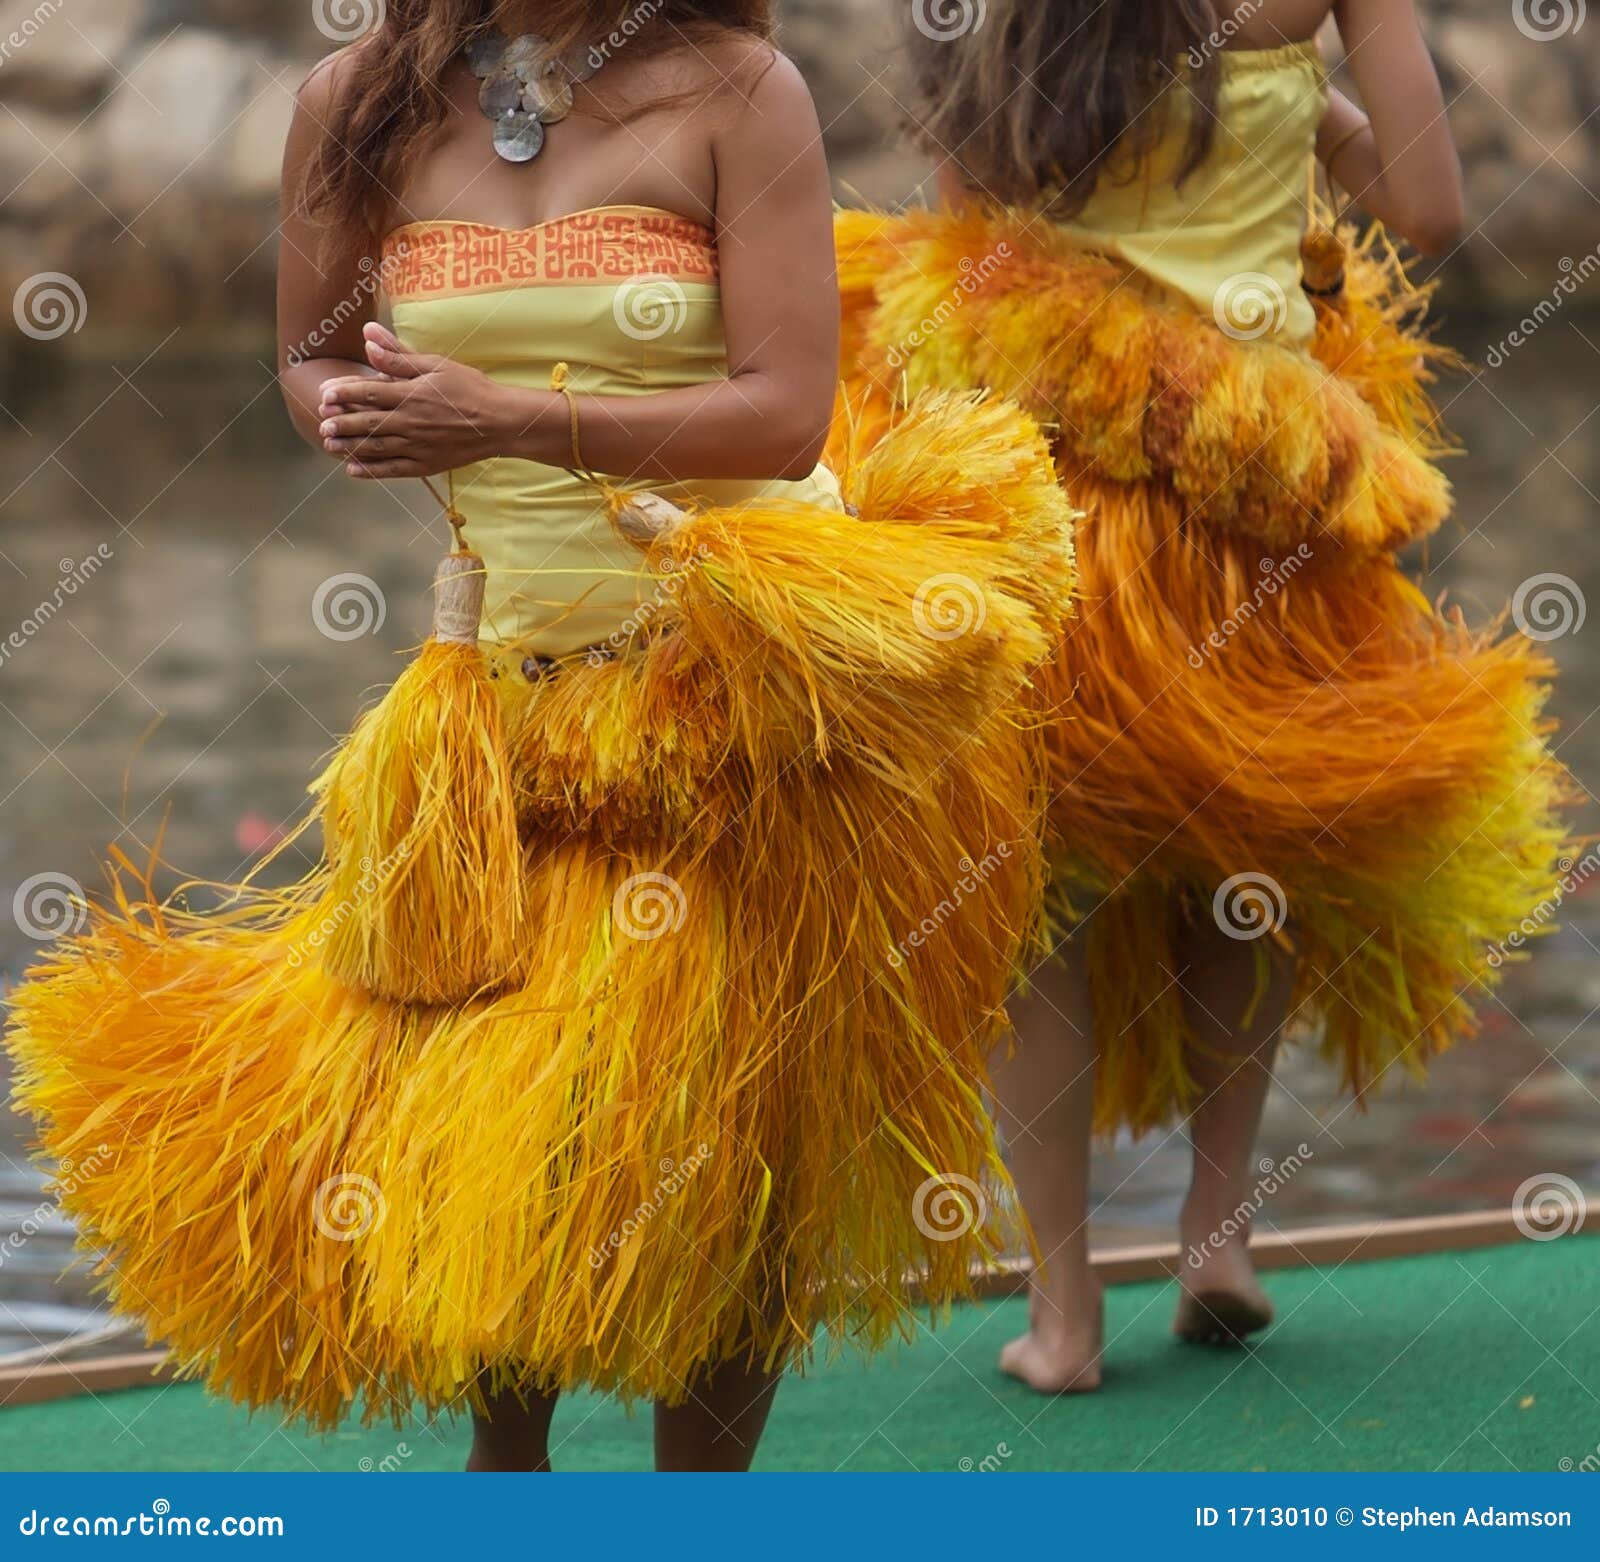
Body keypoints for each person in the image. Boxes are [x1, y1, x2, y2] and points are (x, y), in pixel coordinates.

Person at [7, 1, 1075, 1467]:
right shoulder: (357, 98)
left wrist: (507, 416)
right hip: (501, 685)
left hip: (747, 680)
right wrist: (359, 414)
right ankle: (508, 1477)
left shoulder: (737, 89)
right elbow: (310, 354)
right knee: (487, 1103)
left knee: (722, 1128)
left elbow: (782, 412)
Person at [834, 0, 1571, 1393]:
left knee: (1041, 898)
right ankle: (1218, 1231)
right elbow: (1424, 205)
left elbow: (968, 246)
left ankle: (1063, 1316)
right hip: (1255, 491)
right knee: (1249, 841)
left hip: (1053, 487)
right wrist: (1310, 113)